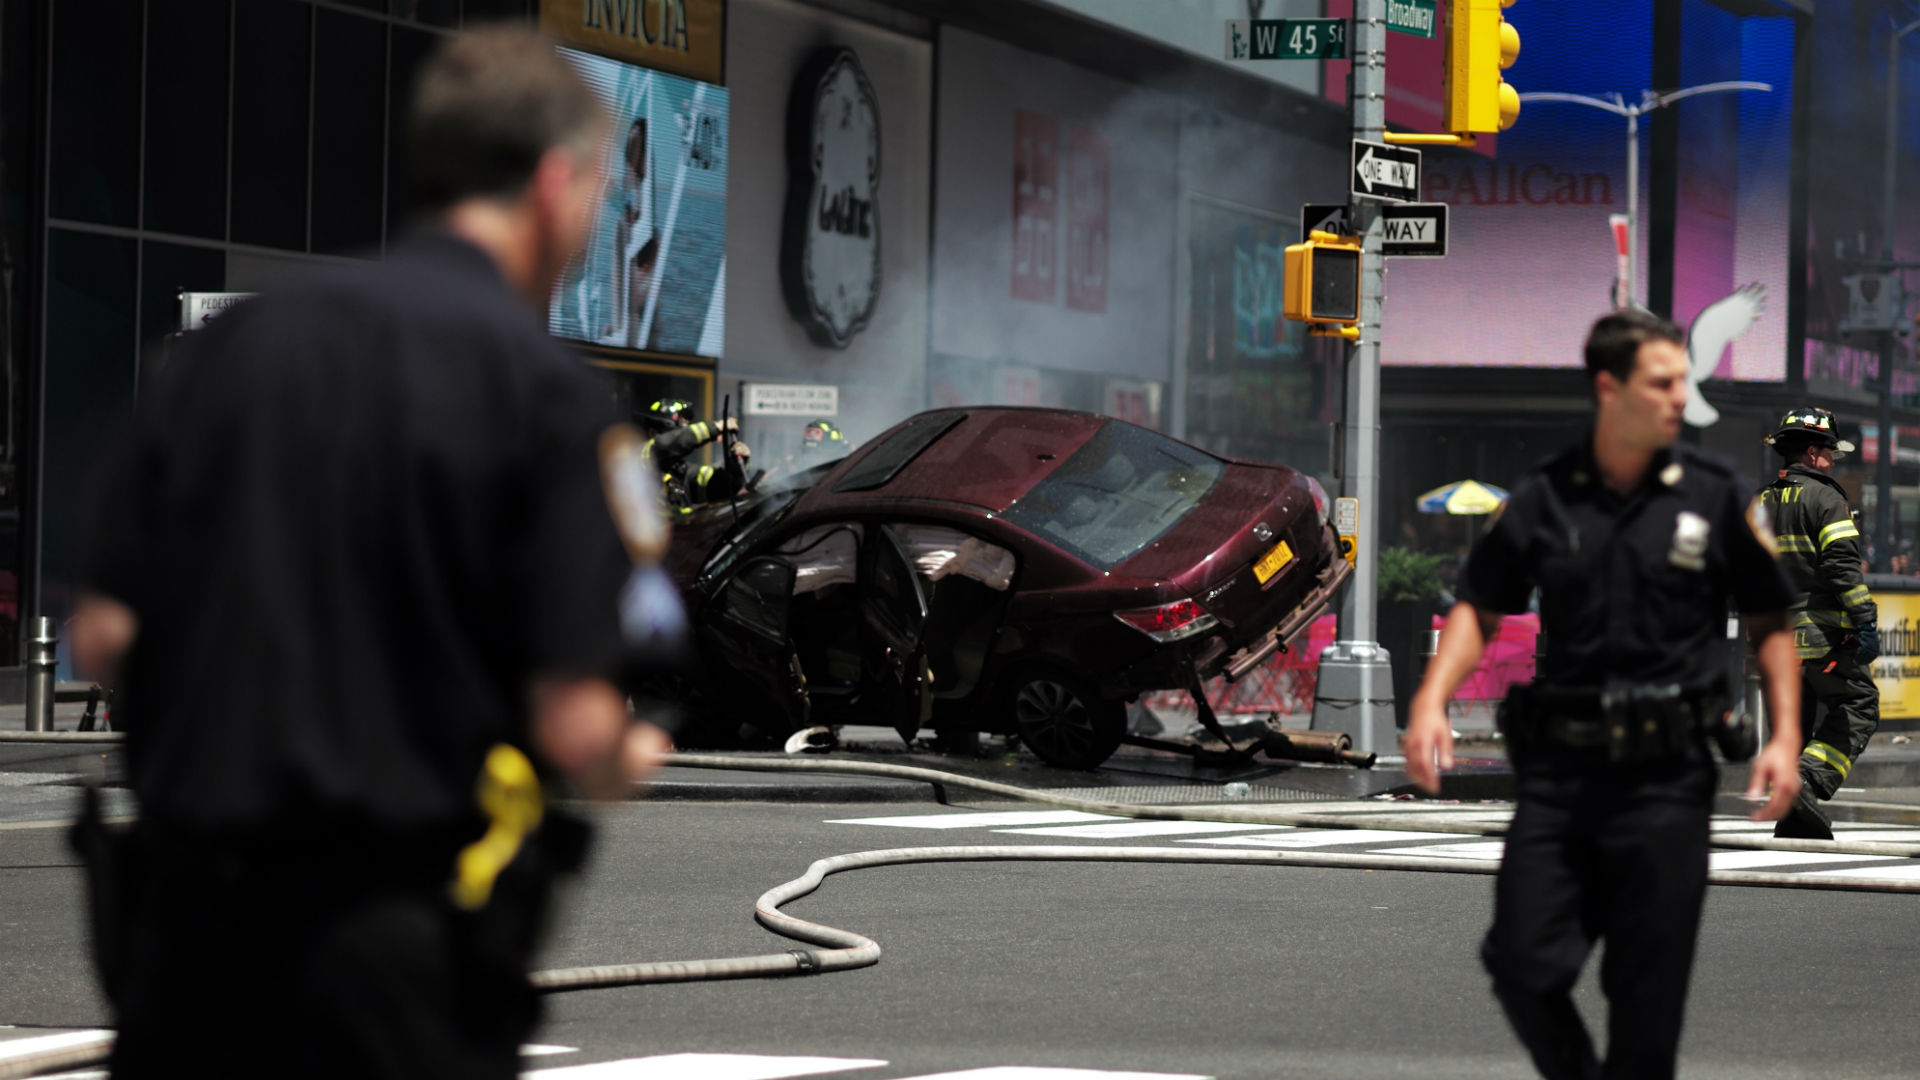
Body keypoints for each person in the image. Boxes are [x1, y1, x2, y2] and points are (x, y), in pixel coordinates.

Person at [68, 27, 672, 1080]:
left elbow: (104, 635)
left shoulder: (228, 352)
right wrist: (631, 751)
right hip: (394, 963)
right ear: (553, 182)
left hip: (187, 944)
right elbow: (578, 724)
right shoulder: (545, 397)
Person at [1403, 309, 1804, 1080]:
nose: (1680, 397)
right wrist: (1430, 702)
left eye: (1683, 380)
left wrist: (1784, 735)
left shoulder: (1717, 495)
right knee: (1521, 962)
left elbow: (1770, 618)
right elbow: (1480, 606)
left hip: (1667, 784)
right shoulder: (1544, 496)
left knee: (1645, 1013)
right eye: (1662, 383)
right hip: (1562, 778)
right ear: (1608, 388)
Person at [1759, 407, 1880, 840]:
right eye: (1830, 452)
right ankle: (1806, 781)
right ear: (1812, 453)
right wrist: (1865, 622)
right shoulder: (1826, 499)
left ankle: (1795, 811)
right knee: (1859, 705)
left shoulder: (1760, 502)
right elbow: (1843, 568)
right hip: (1820, 638)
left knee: (1793, 722)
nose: (1833, 460)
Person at [640, 398, 750, 507]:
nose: (681, 436)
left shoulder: (679, 472)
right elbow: (670, 443)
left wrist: (735, 471)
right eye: (674, 432)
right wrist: (715, 427)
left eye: (681, 432)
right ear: (653, 433)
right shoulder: (642, 456)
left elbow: (717, 487)